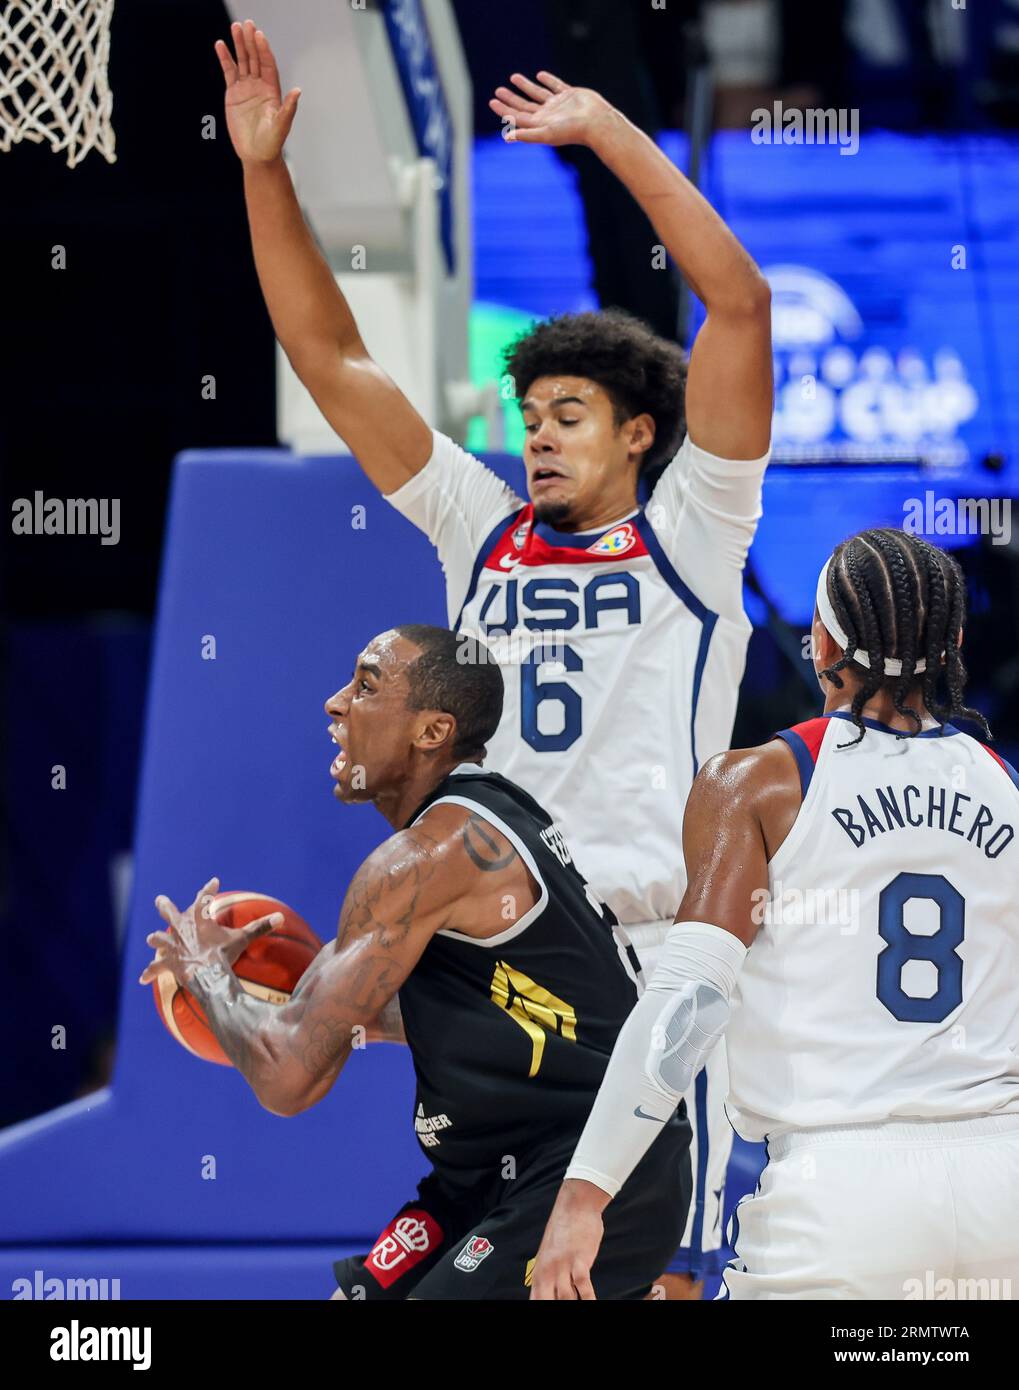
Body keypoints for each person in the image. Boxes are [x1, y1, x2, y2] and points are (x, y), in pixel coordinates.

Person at [215, 19, 772, 1294]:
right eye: (527, 418)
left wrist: (603, 133)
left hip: (642, 959)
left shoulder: (693, 531)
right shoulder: (481, 533)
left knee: (653, 1283)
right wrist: (262, 170)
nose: (537, 438)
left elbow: (736, 302)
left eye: (568, 416)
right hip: (496, 951)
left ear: (642, 432)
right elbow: (330, 355)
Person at [529, 528, 1019, 1300]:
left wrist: (585, 1191)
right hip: (1004, 1190)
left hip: (841, 1195)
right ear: (953, 643)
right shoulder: (1005, 787)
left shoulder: (757, 782)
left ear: (820, 639)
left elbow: (687, 1002)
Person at [139, 625, 689, 1301]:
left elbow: (287, 1082)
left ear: (431, 731)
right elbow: (506, 1003)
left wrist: (206, 975)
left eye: (366, 686)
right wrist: (333, 1010)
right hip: (485, 1175)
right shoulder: (483, 817)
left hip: (587, 1167)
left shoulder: (431, 855)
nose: (335, 704)